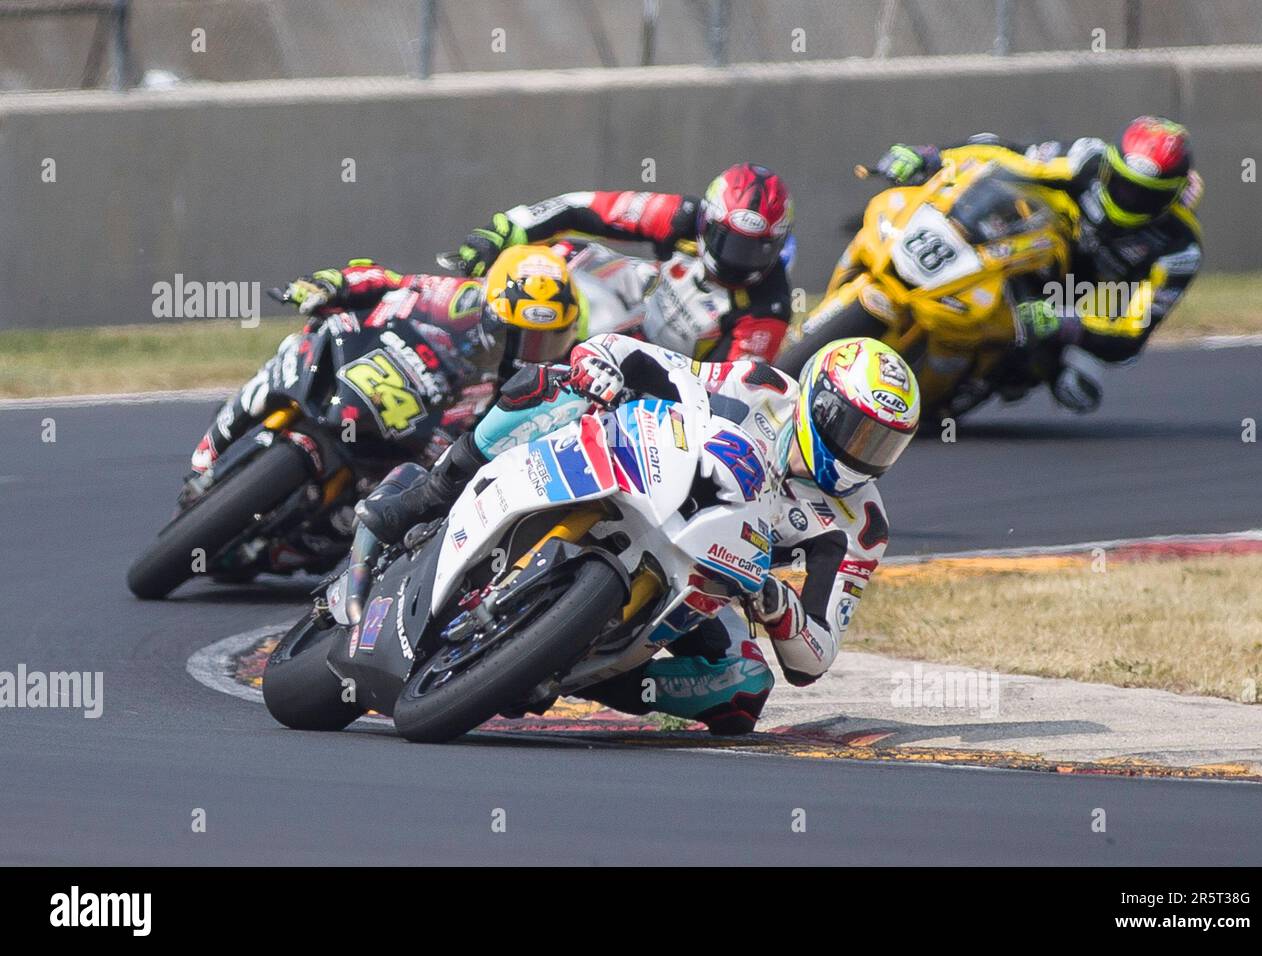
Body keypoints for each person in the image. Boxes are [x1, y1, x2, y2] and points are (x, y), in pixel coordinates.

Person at [354, 332, 919, 734]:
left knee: (744, 693)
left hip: (712, 573)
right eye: (855, 429)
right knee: (549, 385)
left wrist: (777, 605)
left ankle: (579, 673)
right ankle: (430, 492)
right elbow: (655, 363)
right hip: (639, 471)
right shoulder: (760, 387)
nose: (860, 452)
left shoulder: (859, 525)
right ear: (818, 401)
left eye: (881, 443)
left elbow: (815, 656)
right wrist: (602, 363)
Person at [187, 245, 588, 488]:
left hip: (415, 444)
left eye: (546, 339)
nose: (530, 349)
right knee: (300, 344)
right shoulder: (453, 297)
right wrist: (328, 284)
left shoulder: (540, 385)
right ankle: (209, 453)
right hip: (378, 382)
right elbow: (388, 280)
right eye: (523, 334)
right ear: (494, 311)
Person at [874, 116, 1203, 412]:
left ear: (1173, 196)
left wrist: (1064, 324)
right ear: (1108, 167)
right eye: (1122, 184)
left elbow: (1131, 335)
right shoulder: (1084, 160)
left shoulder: (1179, 249)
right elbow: (1007, 156)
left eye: (1146, 196)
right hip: (1030, 253)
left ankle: (1030, 371)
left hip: (1080, 305)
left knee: (1075, 381)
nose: (1129, 199)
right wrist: (930, 155)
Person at [453, 162, 796, 363]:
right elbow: (584, 207)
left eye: (755, 249)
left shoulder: (770, 307)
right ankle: (461, 316)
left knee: (605, 325)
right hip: (640, 295)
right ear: (707, 221)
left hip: (663, 371)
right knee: (559, 256)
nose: (738, 259)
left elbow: (731, 388)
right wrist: (507, 228)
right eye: (729, 241)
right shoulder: (682, 215)